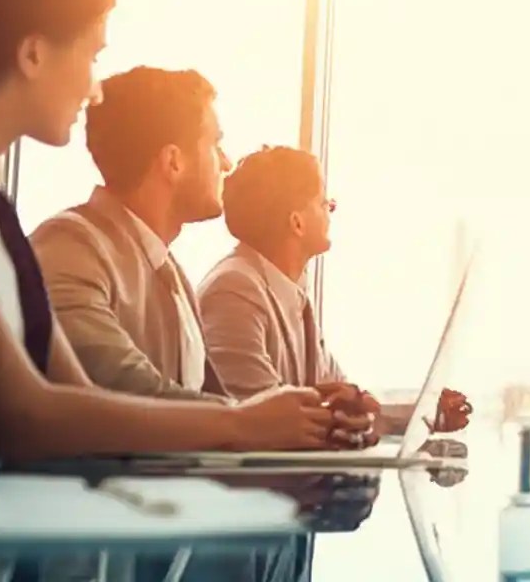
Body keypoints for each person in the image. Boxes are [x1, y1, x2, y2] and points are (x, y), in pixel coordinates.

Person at [0, 0, 332, 464]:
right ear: (32, 52)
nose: (95, 90)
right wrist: (241, 422)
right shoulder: (66, 242)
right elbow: (27, 417)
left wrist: (300, 415)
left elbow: (77, 403)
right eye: (92, 55)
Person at [197, 145, 472, 433]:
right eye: (322, 203)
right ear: (297, 223)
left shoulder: (292, 296)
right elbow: (268, 421)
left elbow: (345, 404)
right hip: (248, 478)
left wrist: (424, 412)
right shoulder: (233, 291)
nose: (330, 211)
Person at [29, 66, 233, 400]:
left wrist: (314, 415)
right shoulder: (70, 247)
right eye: (216, 144)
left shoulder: (173, 274)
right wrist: (255, 419)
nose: (226, 162)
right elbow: (124, 393)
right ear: (173, 162)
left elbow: (215, 407)